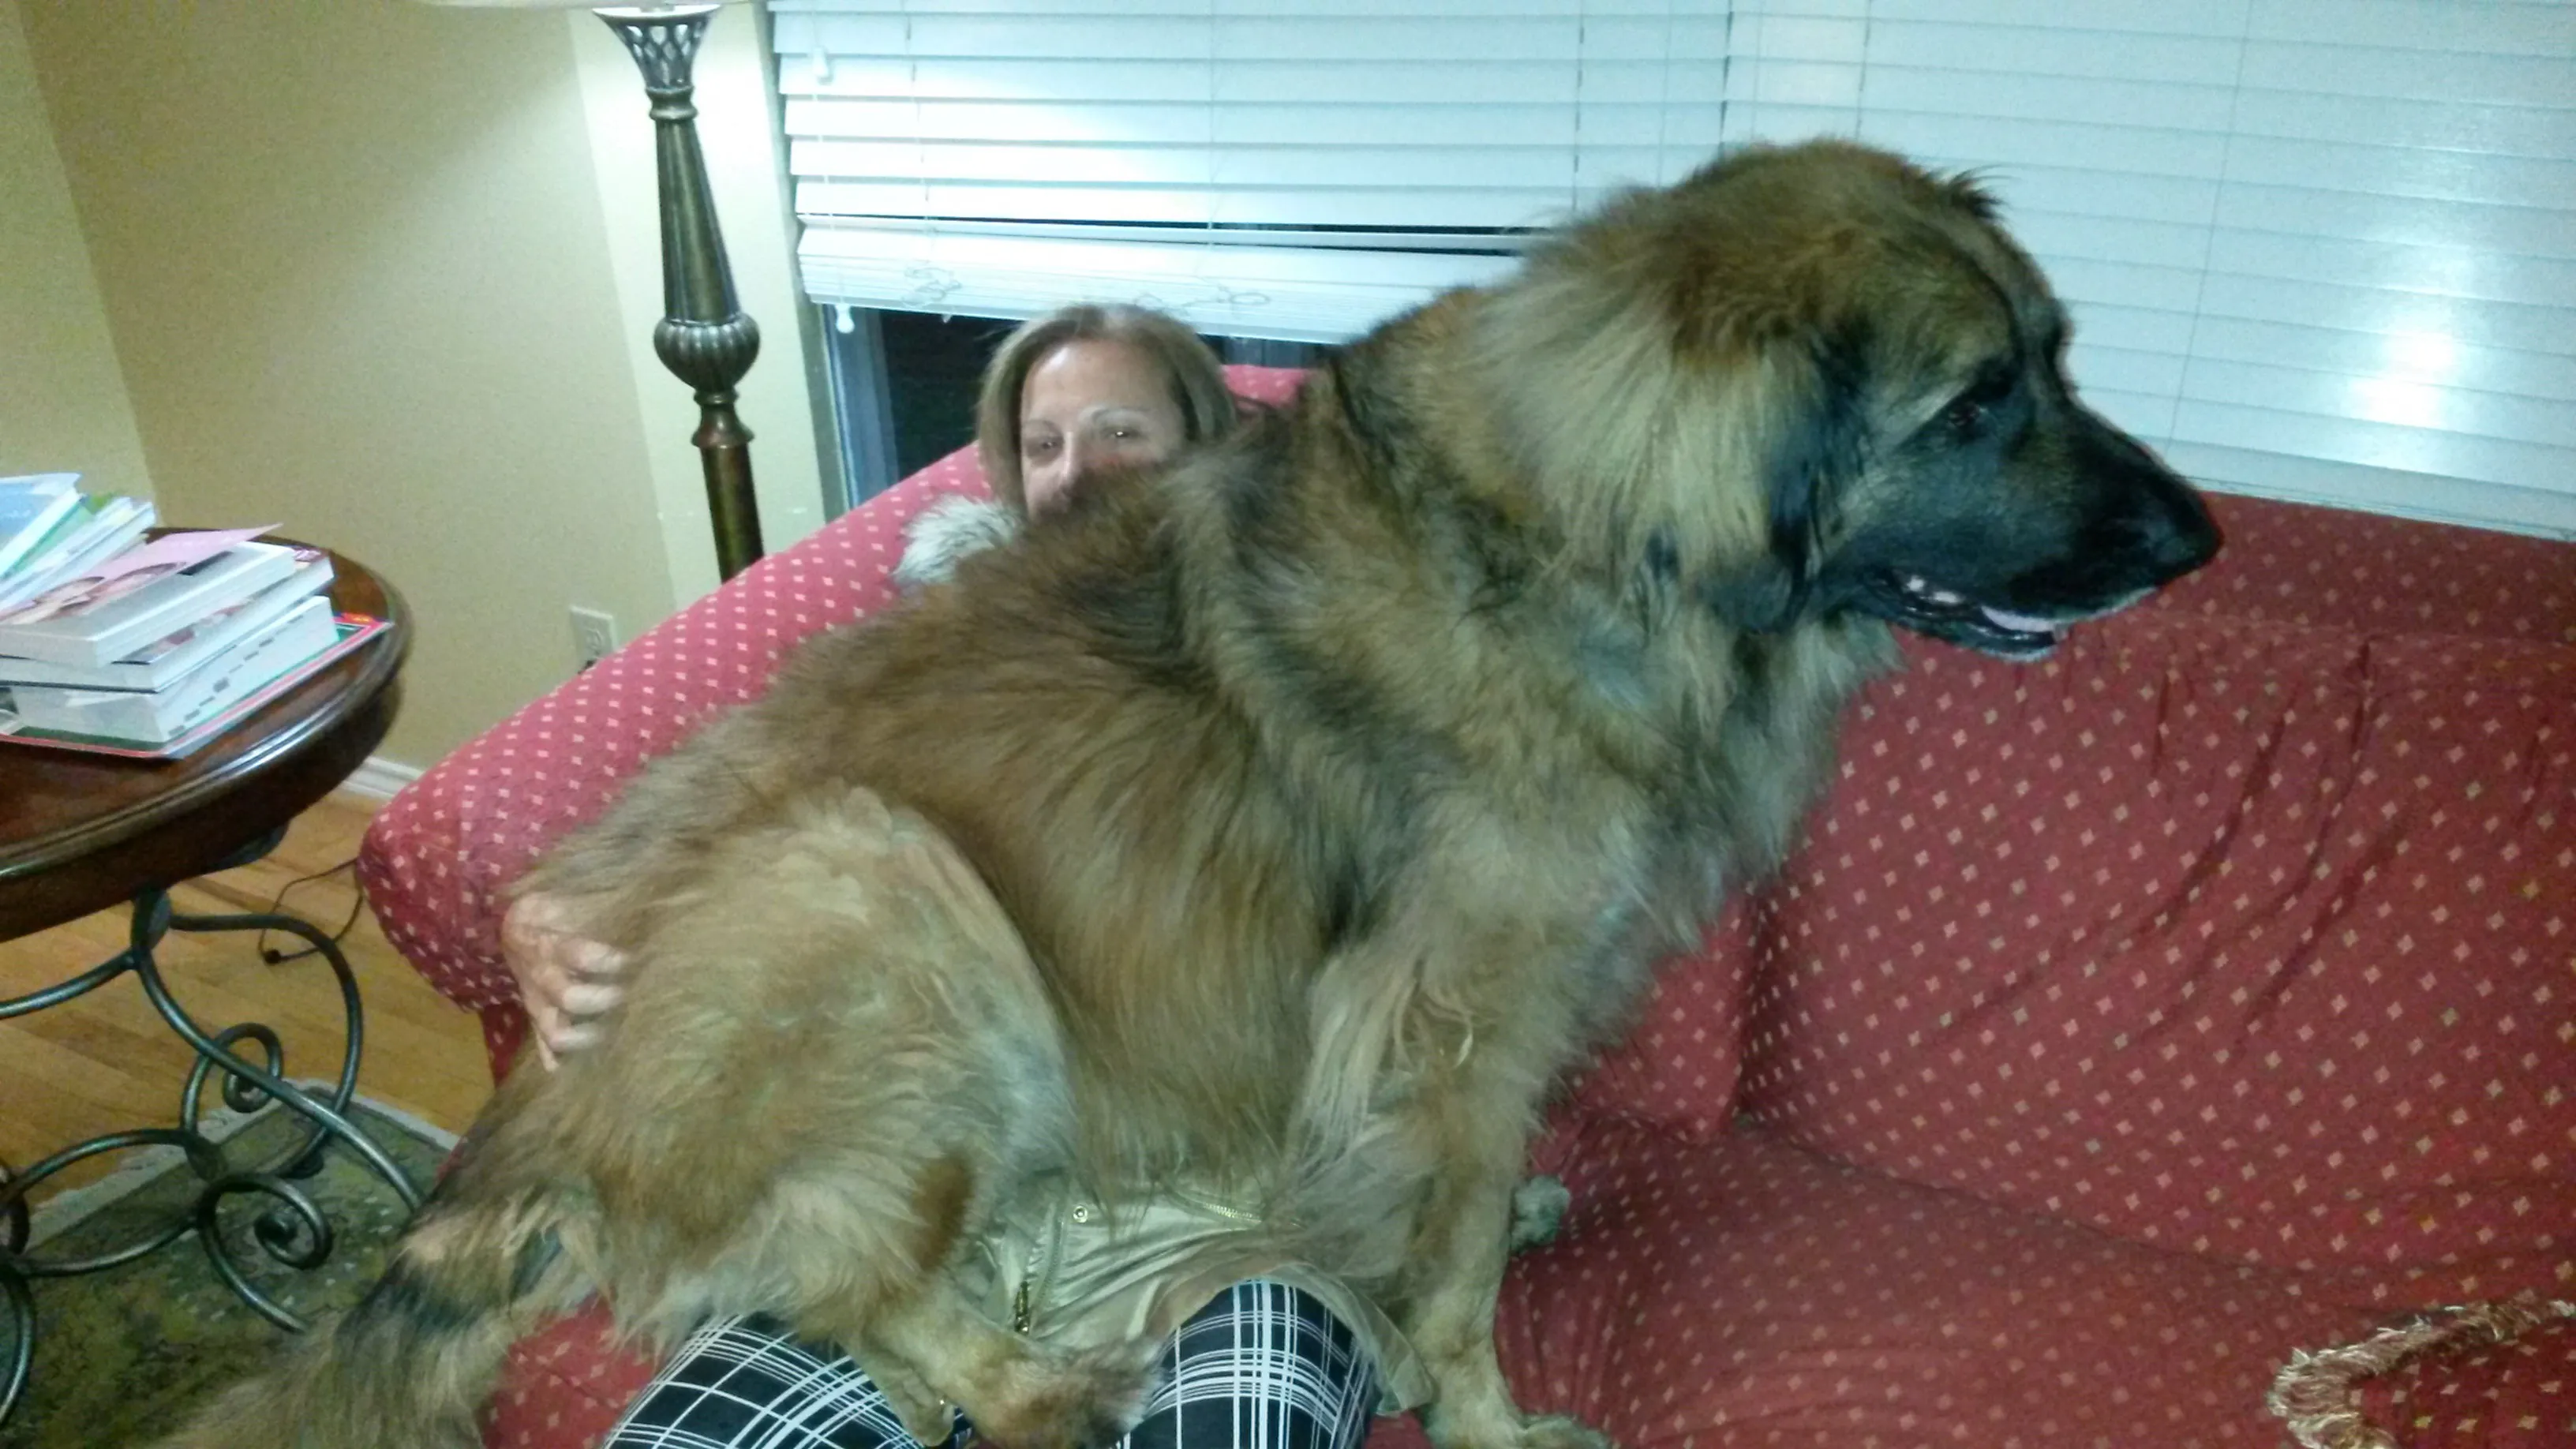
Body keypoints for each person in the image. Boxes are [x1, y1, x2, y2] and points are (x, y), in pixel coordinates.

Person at [503, 305, 1395, 1449]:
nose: (1079, 473)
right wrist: (551, 910)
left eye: (1122, 433)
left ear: (1210, 446)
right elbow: (741, 789)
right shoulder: (940, 648)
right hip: (929, 1237)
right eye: (1044, 444)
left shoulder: (1316, 663)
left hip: (1222, 1234)